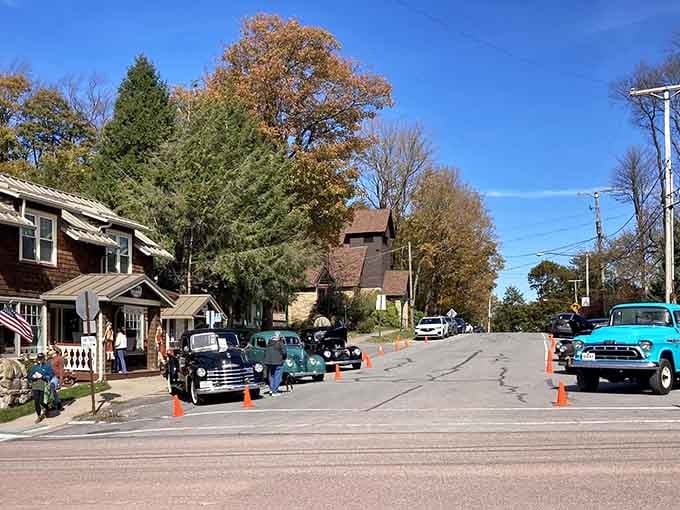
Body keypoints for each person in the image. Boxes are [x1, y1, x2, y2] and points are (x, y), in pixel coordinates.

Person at [27, 353, 54, 423]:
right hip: (35, 386)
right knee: (36, 401)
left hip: (43, 386)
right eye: (39, 359)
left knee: (42, 401)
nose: (40, 360)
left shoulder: (47, 366)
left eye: (41, 358)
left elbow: (50, 375)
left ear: (44, 359)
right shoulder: (34, 367)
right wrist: (32, 377)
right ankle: (39, 416)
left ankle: (47, 408)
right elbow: (29, 376)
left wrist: (42, 377)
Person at [264, 331, 287, 396]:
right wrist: (284, 358)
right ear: (279, 337)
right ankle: (275, 391)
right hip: (278, 361)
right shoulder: (280, 343)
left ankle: (271, 389)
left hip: (268, 362)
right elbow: (284, 352)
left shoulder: (269, 342)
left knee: (271, 375)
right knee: (277, 376)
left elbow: (265, 352)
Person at [48, 346, 65, 411]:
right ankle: (57, 404)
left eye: (50, 350)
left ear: (55, 351)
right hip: (49, 377)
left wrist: (60, 381)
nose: (48, 351)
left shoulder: (59, 358)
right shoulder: (49, 359)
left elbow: (61, 370)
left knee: (52, 389)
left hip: (56, 377)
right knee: (51, 391)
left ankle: (56, 404)